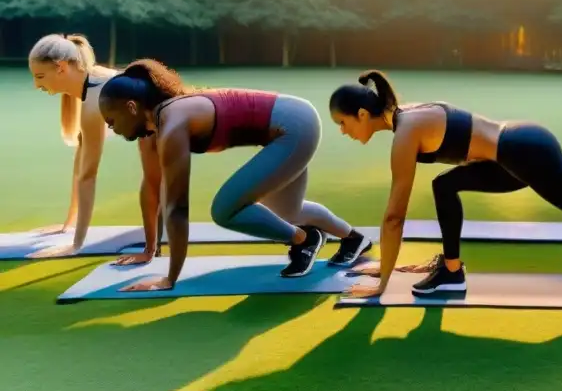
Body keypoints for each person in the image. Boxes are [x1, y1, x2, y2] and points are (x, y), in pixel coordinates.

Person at [328, 70, 562, 299]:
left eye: (343, 123)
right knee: (445, 185)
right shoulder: (408, 118)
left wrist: (382, 283)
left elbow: (394, 216)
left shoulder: (405, 133)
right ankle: (452, 271)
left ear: (363, 114)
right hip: (509, 155)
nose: (344, 132)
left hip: (524, 151)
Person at [98, 59, 370, 291]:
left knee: (225, 209)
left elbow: (177, 207)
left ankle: (306, 239)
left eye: (111, 121)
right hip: (296, 120)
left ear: (132, 107)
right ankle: (353, 238)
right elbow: (157, 190)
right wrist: (150, 248)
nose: (113, 129)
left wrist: (169, 278)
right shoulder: (158, 126)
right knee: (287, 212)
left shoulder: (172, 124)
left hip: (295, 128)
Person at [26, 33, 158, 264]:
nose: (37, 85)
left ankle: (152, 249)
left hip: (165, 120)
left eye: (40, 76)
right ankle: (151, 245)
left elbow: (88, 175)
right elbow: (82, 159)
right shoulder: (87, 80)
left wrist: (76, 246)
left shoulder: (94, 99)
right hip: (146, 118)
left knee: (152, 183)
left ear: (61, 67)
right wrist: (68, 224)